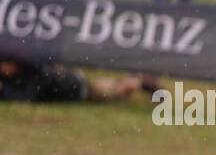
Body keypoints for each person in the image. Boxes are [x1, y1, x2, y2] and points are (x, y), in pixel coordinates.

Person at [0, 56, 155, 103]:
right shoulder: (30, 69)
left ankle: (137, 83)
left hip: (78, 88)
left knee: (114, 92)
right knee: (106, 85)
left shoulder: (36, 78)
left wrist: (3, 91)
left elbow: (25, 98)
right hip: (71, 78)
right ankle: (133, 79)